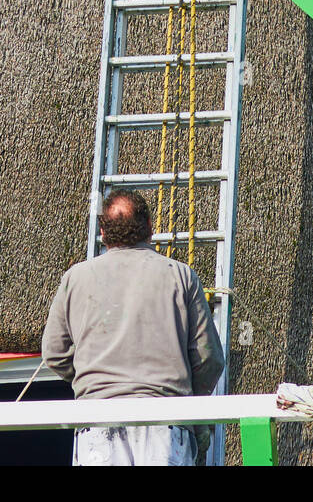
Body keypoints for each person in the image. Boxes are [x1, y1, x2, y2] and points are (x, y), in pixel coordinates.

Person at [41, 188, 224, 466]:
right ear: (150, 227)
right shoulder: (180, 275)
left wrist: (95, 380)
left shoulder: (75, 279)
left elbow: (54, 353)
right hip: (166, 424)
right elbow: (209, 359)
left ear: (103, 232)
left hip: (98, 425)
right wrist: (188, 403)